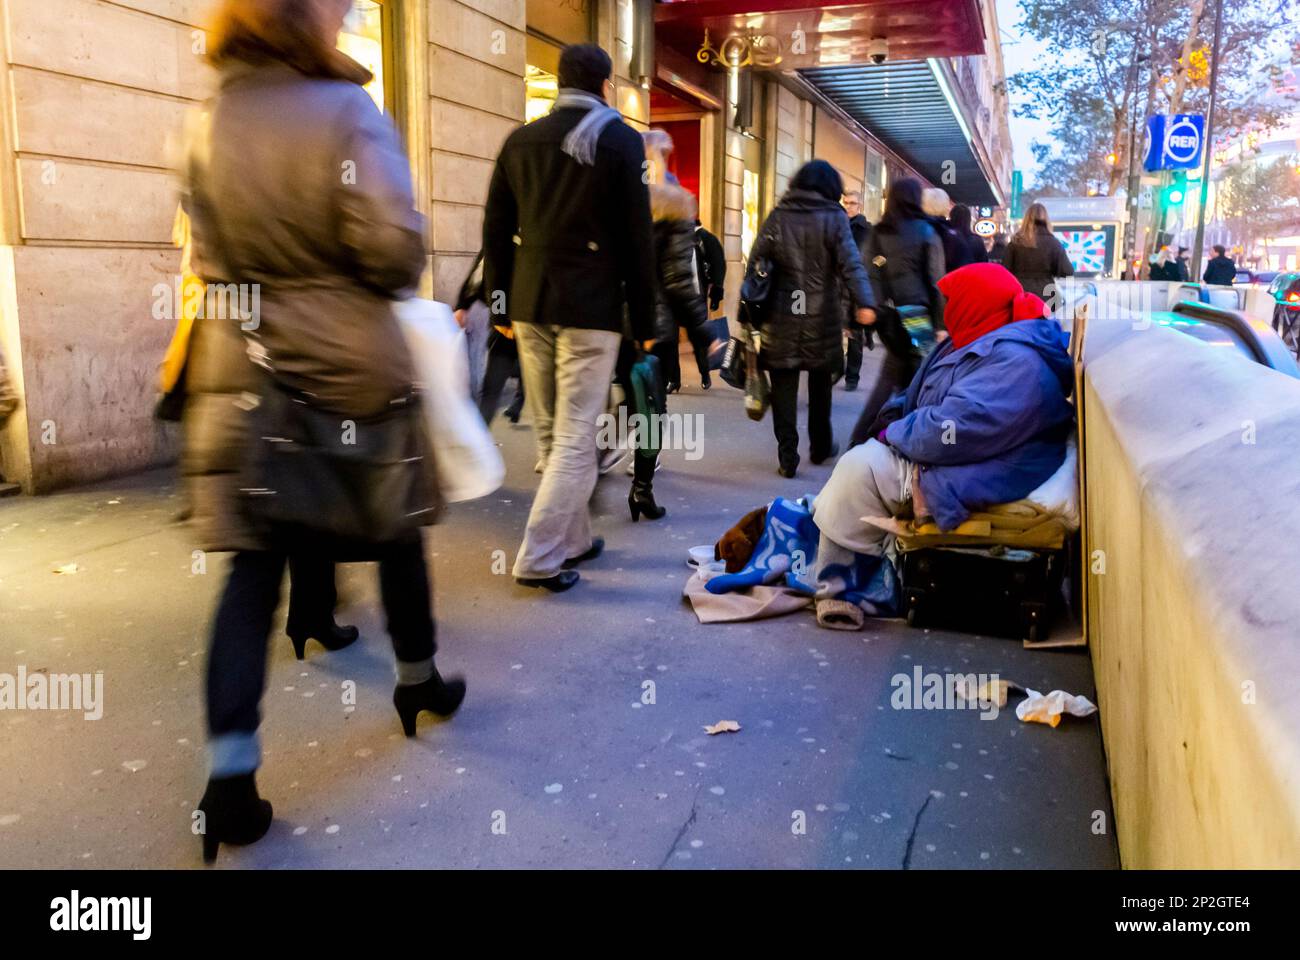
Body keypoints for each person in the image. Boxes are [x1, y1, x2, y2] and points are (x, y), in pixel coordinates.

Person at [185, 0, 465, 863]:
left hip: (242, 371)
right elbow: (389, 250)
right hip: (348, 365)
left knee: (248, 569)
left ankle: (229, 780)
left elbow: (204, 258)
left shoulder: (208, 123)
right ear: (305, 23)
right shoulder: (348, 114)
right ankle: (417, 683)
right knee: (396, 522)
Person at [807, 263, 1075, 630]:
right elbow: (919, 397)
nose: (947, 310)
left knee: (860, 468)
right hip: (962, 455)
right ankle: (848, 557)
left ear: (976, 305)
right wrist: (893, 420)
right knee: (857, 468)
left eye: (954, 301)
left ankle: (844, 588)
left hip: (980, 468)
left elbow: (954, 430)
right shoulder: (977, 338)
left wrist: (894, 434)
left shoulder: (1016, 363)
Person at [482, 42, 655, 592]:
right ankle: (539, 556)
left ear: (559, 82)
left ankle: (574, 537)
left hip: (531, 305)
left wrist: (499, 306)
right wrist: (646, 323)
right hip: (591, 308)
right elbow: (636, 239)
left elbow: (495, 231)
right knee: (578, 435)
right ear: (605, 86)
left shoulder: (520, 139)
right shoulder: (622, 141)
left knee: (556, 432)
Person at [745, 159, 875, 478]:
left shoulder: (778, 215)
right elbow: (851, 265)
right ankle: (820, 447)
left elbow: (757, 262)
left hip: (782, 312)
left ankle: (787, 456)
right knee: (820, 386)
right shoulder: (835, 218)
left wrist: (747, 311)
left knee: (784, 386)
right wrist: (865, 302)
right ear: (831, 187)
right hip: (822, 316)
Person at [847, 177, 945, 449]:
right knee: (923, 378)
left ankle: (859, 439)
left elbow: (870, 270)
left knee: (890, 376)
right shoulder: (926, 231)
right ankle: (910, 439)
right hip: (918, 317)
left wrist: (872, 307)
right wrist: (940, 323)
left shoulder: (879, 232)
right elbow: (936, 281)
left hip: (889, 315)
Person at [644, 130, 714, 393]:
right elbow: (678, 279)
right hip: (654, 318)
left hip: (608, 321)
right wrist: (702, 329)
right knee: (647, 406)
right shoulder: (674, 201)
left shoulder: (616, 190)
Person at [456, 251, 524, 427]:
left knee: (491, 389)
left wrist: (499, 316)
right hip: (525, 325)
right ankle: (476, 440)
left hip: (516, 326)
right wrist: (499, 316)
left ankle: (476, 440)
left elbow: (486, 274)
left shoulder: (502, 232)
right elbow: (487, 274)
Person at [1003, 202, 1074, 305]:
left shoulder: (1015, 242)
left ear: (1026, 219)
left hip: (1019, 295)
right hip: (1046, 296)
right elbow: (1068, 271)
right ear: (1046, 220)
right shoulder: (1053, 243)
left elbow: (1004, 270)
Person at [841, 190, 872, 391]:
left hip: (855, 287)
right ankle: (835, 372)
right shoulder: (837, 226)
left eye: (852, 203)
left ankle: (852, 377)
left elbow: (872, 259)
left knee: (854, 335)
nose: (848, 206)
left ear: (859, 205)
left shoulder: (867, 230)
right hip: (837, 287)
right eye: (846, 202)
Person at [695, 219, 726, 316]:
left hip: (699, 288)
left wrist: (715, 294)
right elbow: (720, 265)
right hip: (700, 289)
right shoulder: (710, 238)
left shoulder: (705, 238)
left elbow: (719, 266)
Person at [947, 205, 989, 271]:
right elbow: (984, 264)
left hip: (950, 278)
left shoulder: (947, 237)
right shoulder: (977, 241)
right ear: (969, 220)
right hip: (971, 278)